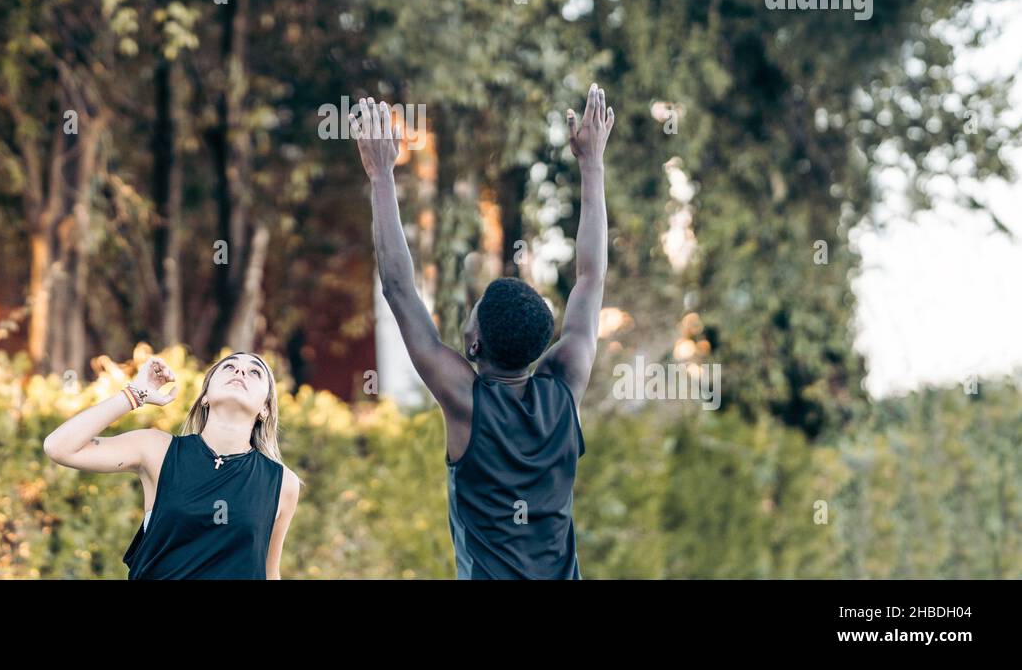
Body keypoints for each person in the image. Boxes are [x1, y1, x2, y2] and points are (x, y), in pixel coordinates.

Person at [350, 85, 614, 579]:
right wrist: (592, 163)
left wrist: (382, 173)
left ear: (473, 347)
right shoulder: (564, 383)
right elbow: (590, 277)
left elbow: (398, 288)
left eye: (471, 313)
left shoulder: (468, 401)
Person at [43, 352, 301, 579]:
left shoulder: (282, 483)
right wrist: (134, 393)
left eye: (255, 371)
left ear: (265, 408)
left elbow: (268, 572)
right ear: (205, 397)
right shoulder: (158, 449)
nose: (240, 371)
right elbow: (59, 447)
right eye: (229, 367)